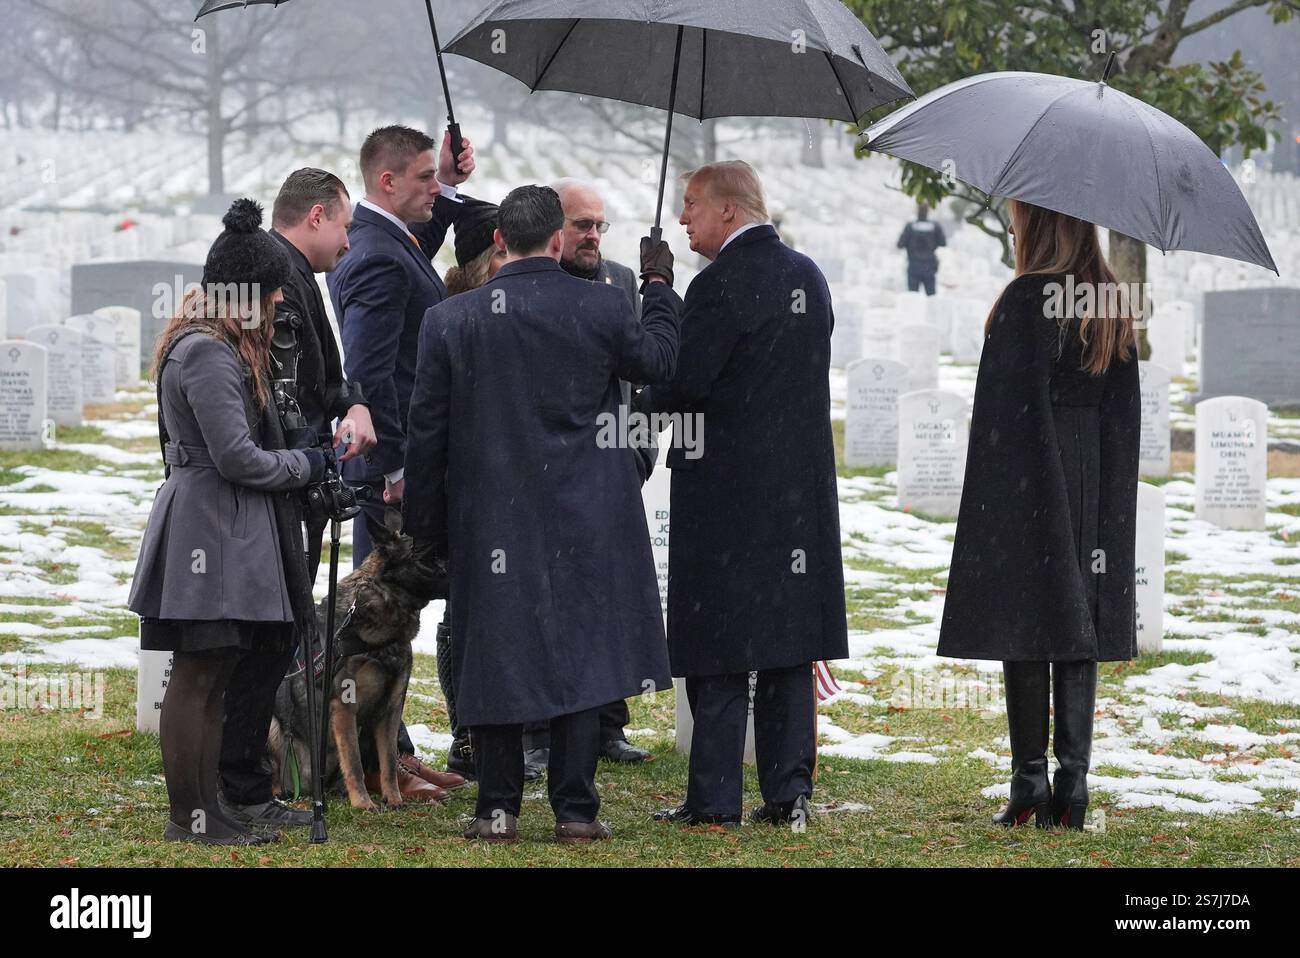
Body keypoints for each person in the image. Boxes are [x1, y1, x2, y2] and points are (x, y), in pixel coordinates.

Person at [402, 185, 682, 843]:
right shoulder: (605, 306)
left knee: (496, 651)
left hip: (489, 514)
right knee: (584, 654)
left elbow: (426, 433)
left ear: (501, 239)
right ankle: (577, 810)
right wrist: (660, 283)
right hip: (588, 510)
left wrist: (424, 527)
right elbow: (661, 360)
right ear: (557, 240)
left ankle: (497, 808)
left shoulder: (451, 321)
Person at [637, 161, 848, 828]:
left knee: (719, 648)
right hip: (796, 491)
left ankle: (714, 799)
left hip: (726, 489)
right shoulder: (807, 274)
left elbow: (682, 383)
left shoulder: (720, 283)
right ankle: (789, 793)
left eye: (691, 206)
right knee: (786, 644)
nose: (681, 218)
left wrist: (660, 293)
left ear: (728, 211)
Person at [936, 198, 1140, 830]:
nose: (1012, 224)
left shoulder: (1026, 299)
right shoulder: (1110, 299)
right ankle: (1072, 787)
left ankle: (1030, 782)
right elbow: (1123, 410)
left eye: (1020, 216)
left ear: (1040, 223)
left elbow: (1001, 408)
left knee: (1027, 625)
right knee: (1076, 625)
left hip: (1029, 473)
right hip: (1092, 476)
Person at [128, 198, 326, 845]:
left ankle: (210, 807)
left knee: (214, 672)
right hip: (208, 528)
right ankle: (192, 815)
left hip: (221, 523)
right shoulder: (208, 355)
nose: (275, 305)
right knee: (199, 672)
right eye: (269, 293)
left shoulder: (215, 345)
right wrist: (304, 464)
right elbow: (236, 457)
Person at [212, 169, 385, 832]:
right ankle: (244, 787)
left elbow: (322, 381)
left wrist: (352, 401)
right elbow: (281, 401)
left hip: (288, 487)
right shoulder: (273, 276)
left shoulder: (287, 271)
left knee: (272, 636)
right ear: (316, 215)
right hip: (280, 492)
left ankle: (240, 781)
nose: (348, 243)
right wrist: (315, 468)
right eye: (344, 225)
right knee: (269, 638)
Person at [326, 124, 476, 803]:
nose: (433, 191)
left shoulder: (393, 242)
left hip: (403, 470)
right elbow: (369, 372)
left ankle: (399, 756)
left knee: (397, 615)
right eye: (421, 179)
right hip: (391, 478)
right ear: (387, 183)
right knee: (376, 621)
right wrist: (391, 471)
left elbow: (422, 248)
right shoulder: (379, 257)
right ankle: (386, 764)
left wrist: (444, 176)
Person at [516, 178, 655, 771]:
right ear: (554, 229)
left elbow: (646, 376)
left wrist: (637, 454)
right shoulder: (523, 286)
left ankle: (607, 722)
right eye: (582, 226)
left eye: (600, 225)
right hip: (543, 473)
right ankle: (542, 729)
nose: (593, 236)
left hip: (610, 469)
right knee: (544, 602)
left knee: (607, 599)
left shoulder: (621, 282)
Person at [897, 202, 946, 295]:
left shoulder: (910, 226)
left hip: (914, 265)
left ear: (916, 211)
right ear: (928, 211)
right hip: (929, 265)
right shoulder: (935, 226)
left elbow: (900, 244)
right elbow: (943, 243)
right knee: (931, 297)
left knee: (912, 297)